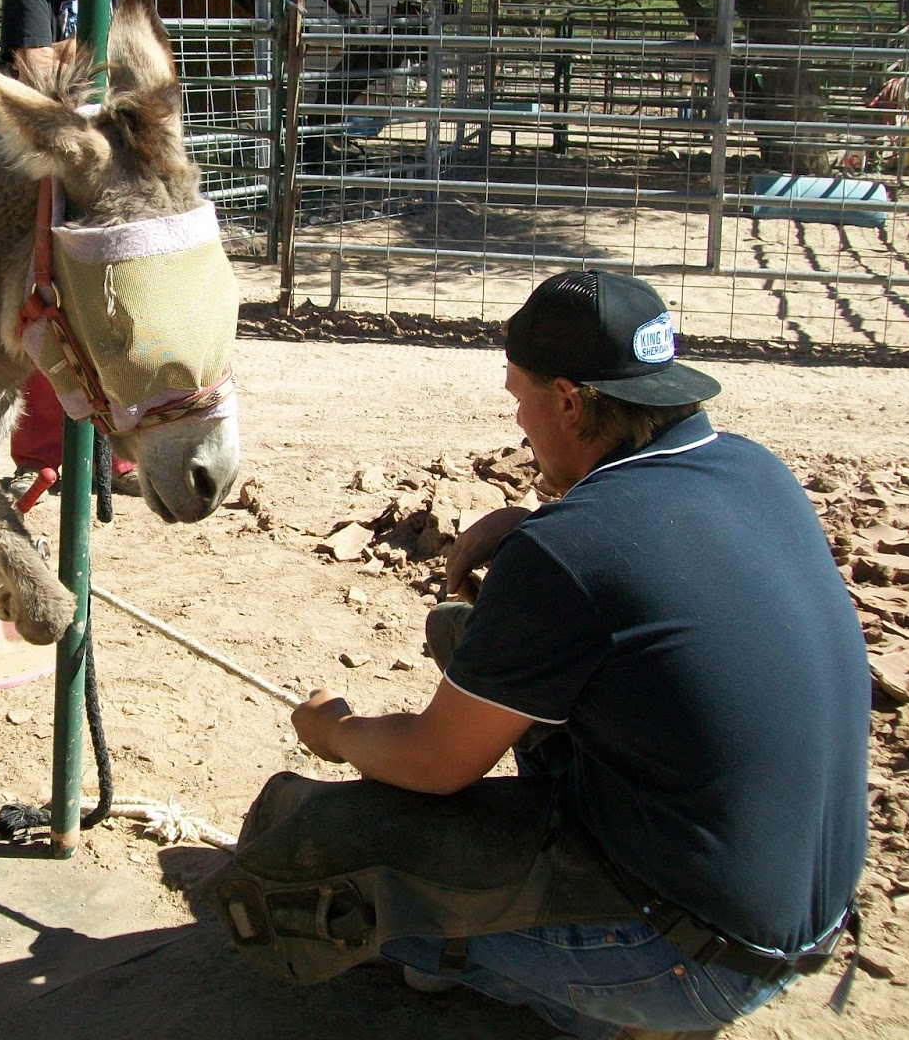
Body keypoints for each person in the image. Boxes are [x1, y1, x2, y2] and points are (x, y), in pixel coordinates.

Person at [206, 270, 868, 1040]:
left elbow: (435, 763)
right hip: (800, 919)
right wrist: (529, 525)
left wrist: (335, 729)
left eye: (518, 396)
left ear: (568, 401)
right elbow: (647, 572)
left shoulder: (571, 551)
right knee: (468, 637)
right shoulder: (753, 468)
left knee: (302, 853)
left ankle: (584, 995)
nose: (518, 422)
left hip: (689, 957)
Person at [0, 0, 144, 498]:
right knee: (45, 291)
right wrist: (100, 59)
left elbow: (140, 62)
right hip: (50, 152)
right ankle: (40, 454)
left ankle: (122, 456)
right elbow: (34, 74)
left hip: (113, 154)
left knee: (121, 292)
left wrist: (73, 59)